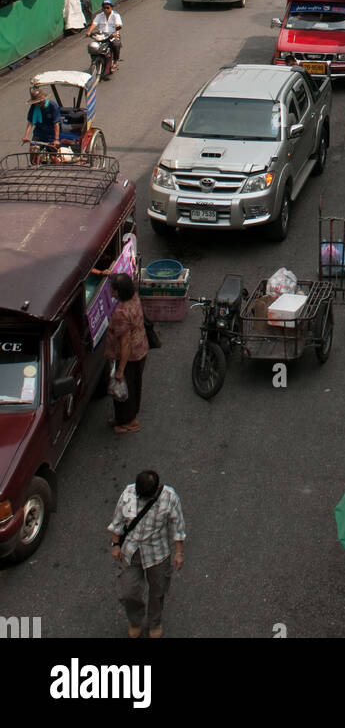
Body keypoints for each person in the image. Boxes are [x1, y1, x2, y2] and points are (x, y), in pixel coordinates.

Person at [108, 469, 186, 639]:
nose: (142, 500)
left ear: (157, 489)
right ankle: (135, 620)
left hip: (158, 554)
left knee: (158, 592)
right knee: (128, 592)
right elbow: (118, 521)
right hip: (130, 552)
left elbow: (178, 526)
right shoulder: (129, 494)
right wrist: (115, 544)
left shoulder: (170, 498)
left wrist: (179, 552)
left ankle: (154, 623)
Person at [104, 272, 149, 434]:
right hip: (140, 348)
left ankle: (130, 421)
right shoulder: (134, 297)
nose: (110, 290)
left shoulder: (121, 313)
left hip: (129, 357)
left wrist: (120, 370)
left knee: (125, 390)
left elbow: (125, 344)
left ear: (117, 292)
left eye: (112, 287)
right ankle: (123, 418)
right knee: (134, 385)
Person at [23, 83, 60, 161]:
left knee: (54, 158)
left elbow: (56, 124)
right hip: (38, 134)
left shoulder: (53, 106)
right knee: (33, 152)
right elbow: (30, 122)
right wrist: (26, 136)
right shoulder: (33, 107)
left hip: (51, 135)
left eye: (39, 102)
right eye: (36, 103)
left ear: (43, 99)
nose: (38, 104)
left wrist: (56, 139)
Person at [87, 0, 123, 74]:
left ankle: (115, 62)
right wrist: (89, 31)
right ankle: (95, 61)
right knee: (93, 47)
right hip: (102, 36)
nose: (105, 9)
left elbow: (118, 24)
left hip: (112, 35)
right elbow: (94, 23)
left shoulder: (115, 15)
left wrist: (116, 32)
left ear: (111, 7)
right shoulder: (99, 16)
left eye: (107, 7)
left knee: (116, 44)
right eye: (104, 8)